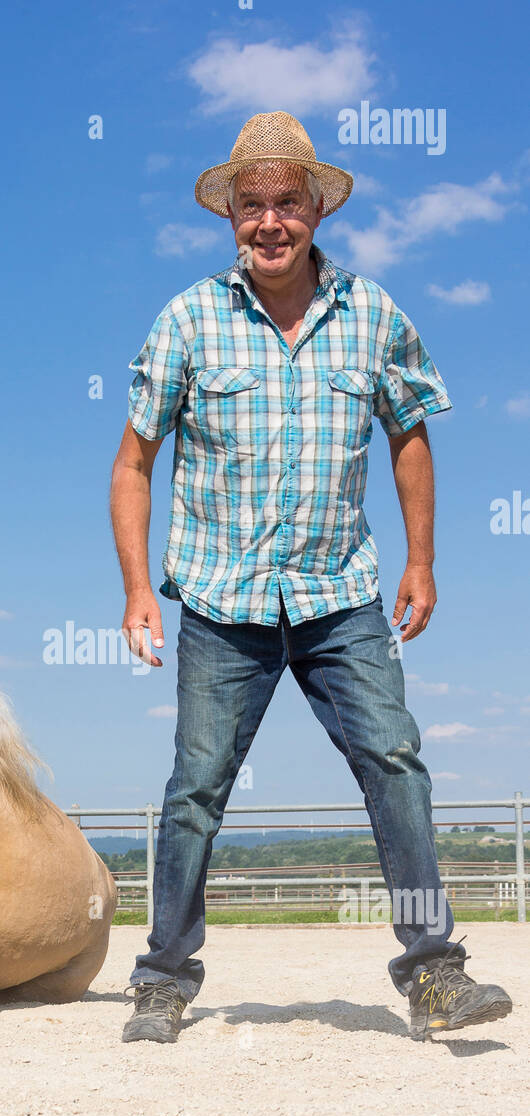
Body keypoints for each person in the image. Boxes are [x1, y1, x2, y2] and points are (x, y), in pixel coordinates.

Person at [110, 111, 512, 1044]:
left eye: (287, 202)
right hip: (222, 597)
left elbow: (410, 434)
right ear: (231, 217)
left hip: (340, 596)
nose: (270, 223)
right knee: (195, 789)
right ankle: (164, 978)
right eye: (251, 206)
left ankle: (435, 973)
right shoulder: (188, 319)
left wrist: (421, 560)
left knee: (395, 761)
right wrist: (137, 589)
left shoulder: (373, 313)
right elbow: (133, 461)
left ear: (318, 207)